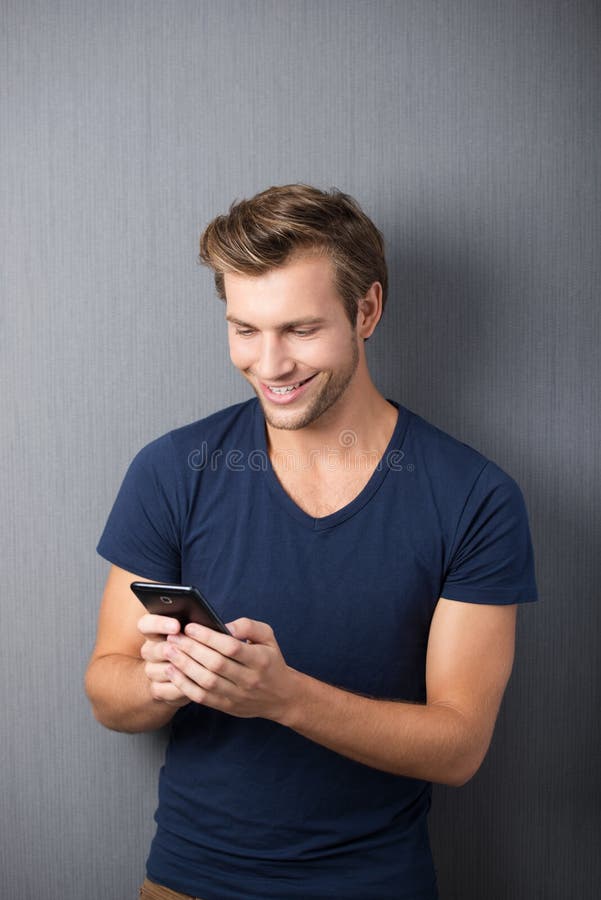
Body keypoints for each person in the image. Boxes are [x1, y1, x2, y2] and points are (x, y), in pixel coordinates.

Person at [85, 184, 538, 900]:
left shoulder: (473, 497)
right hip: (188, 883)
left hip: (375, 884)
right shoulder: (171, 471)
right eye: (244, 329)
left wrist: (283, 696)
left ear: (366, 311)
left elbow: (457, 748)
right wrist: (164, 680)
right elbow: (107, 692)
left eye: (299, 330)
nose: (269, 365)